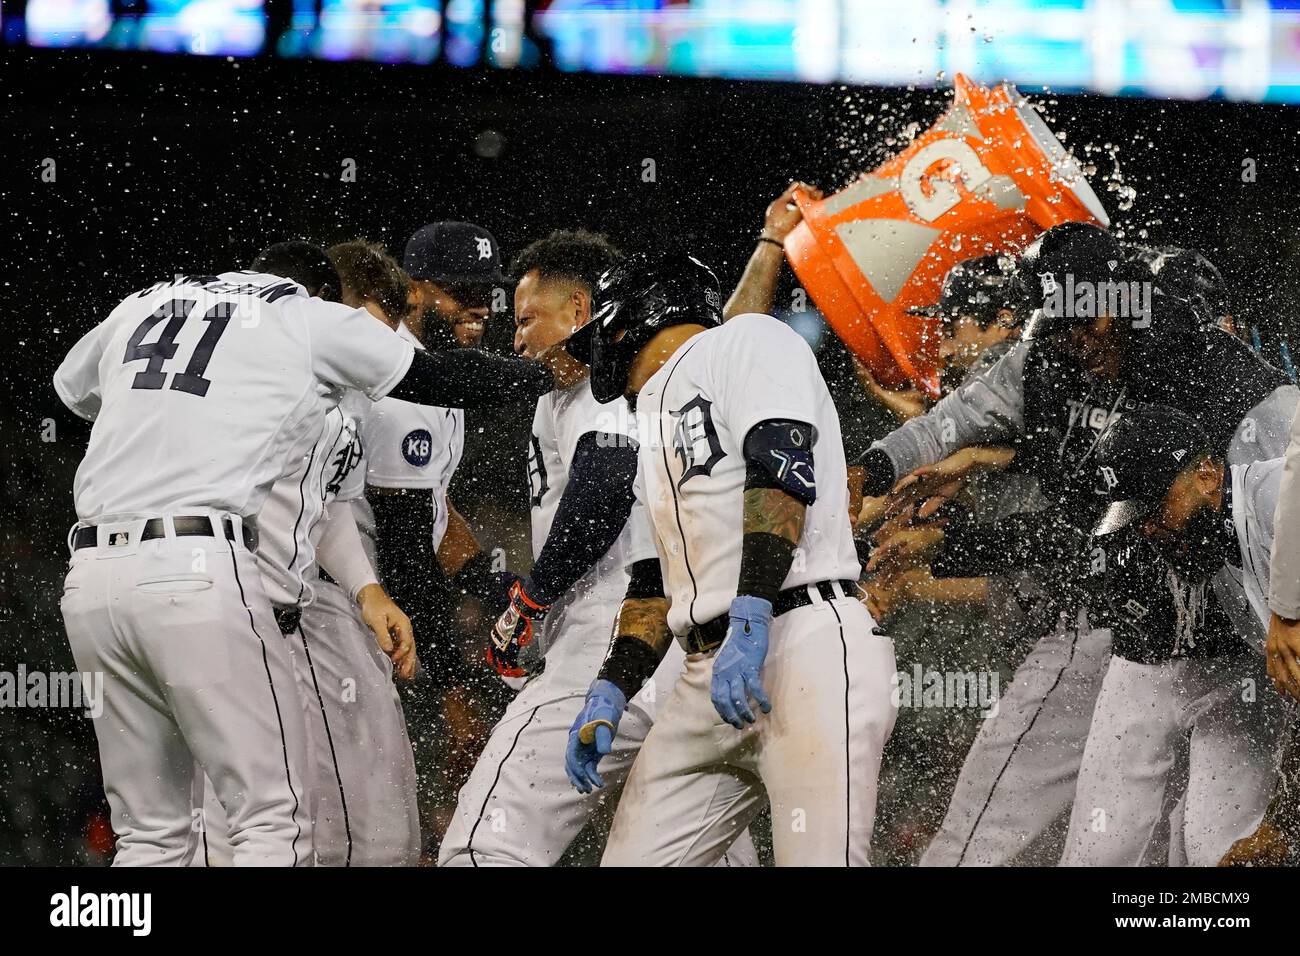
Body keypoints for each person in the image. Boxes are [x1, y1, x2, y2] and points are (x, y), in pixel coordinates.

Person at [53, 240, 581, 866]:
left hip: (89, 579)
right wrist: (551, 368)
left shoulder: (150, 300)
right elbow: (437, 376)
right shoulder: (301, 314)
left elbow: (72, 390)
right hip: (200, 569)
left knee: (152, 836)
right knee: (271, 823)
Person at [861, 221, 1297, 866]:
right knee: (1112, 847)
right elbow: (957, 426)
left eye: (1089, 319)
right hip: (1150, 630)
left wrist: (1287, 610)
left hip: (1243, 629)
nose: (1076, 338)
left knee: (1208, 850)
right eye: (1060, 322)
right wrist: (874, 471)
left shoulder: (1220, 386)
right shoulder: (1050, 358)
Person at [564, 251, 896, 866]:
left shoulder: (745, 337)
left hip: (803, 643)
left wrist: (750, 615)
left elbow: (782, 465)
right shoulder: (651, 428)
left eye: (600, 337)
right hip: (703, 679)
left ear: (625, 320)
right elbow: (649, 583)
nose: (596, 359)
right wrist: (612, 686)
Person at [438, 230, 753, 867]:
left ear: (582, 312)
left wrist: (529, 597)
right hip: (688, 655)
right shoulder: (663, 384)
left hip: (607, 644)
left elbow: (604, 490)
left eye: (528, 318)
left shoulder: (598, 386)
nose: (516, 336)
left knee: (486, 848)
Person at [1077, 404, 1290, 865]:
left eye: (1155, 508)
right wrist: (1281, 823)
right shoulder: (1231, 577)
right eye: (1138, 519)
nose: (1151, 530)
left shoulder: (1275, 494)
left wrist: (1281, 823)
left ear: (1209, 474)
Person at [403, 221, 505, 350]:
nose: (482, 310)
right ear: (413, 291)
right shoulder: (381, 359)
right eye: (463, 292)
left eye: (487, 294)